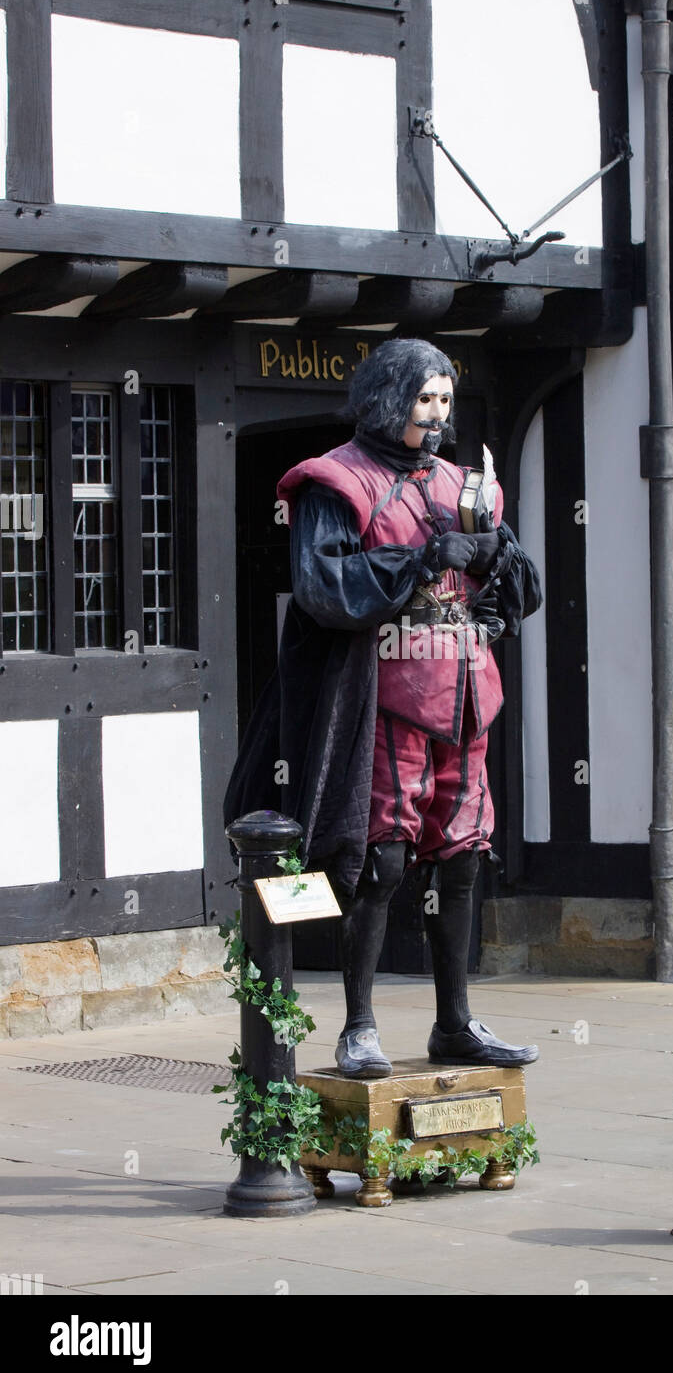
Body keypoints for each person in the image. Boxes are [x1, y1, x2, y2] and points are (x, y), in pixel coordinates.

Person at [225, 338, 542, 1078]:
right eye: (423, 400)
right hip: (382, 696)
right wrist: (425, 559)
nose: (435, 416)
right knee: (381, 859)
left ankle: (455, 1023)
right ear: (387, 398)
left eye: (443, 402)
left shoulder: (469, 486)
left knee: (462, 855)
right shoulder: (337, 482)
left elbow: (516, 588)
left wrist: (497, 562)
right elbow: (322, 586)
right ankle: (358, 1026)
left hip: (466, 696)